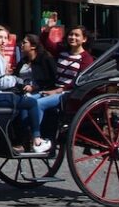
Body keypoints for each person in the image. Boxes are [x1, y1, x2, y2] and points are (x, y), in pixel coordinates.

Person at [14, 24, 94, 154]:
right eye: (70, 34)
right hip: (53, 91)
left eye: (76, 35)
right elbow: (47, 44)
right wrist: (47, 30)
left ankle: (37, 139)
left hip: (68, 93)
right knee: (25, 102)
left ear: (84, 39)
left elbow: (79, 81)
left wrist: (59, 90)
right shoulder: (62, 52)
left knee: (37, 103)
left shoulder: (86, 59)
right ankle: (24, 137)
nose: (72, 37)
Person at [10, 33, 58, 150]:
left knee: (28, 102)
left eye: (25, 42)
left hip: (41, 91)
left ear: (33, 46)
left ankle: (30, 137)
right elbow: (16, 76)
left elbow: (51, 79)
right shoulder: (23, 61)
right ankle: (18, 137)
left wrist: (34, 87)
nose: (21, 44)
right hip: (22, 90)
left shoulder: (45, 59)